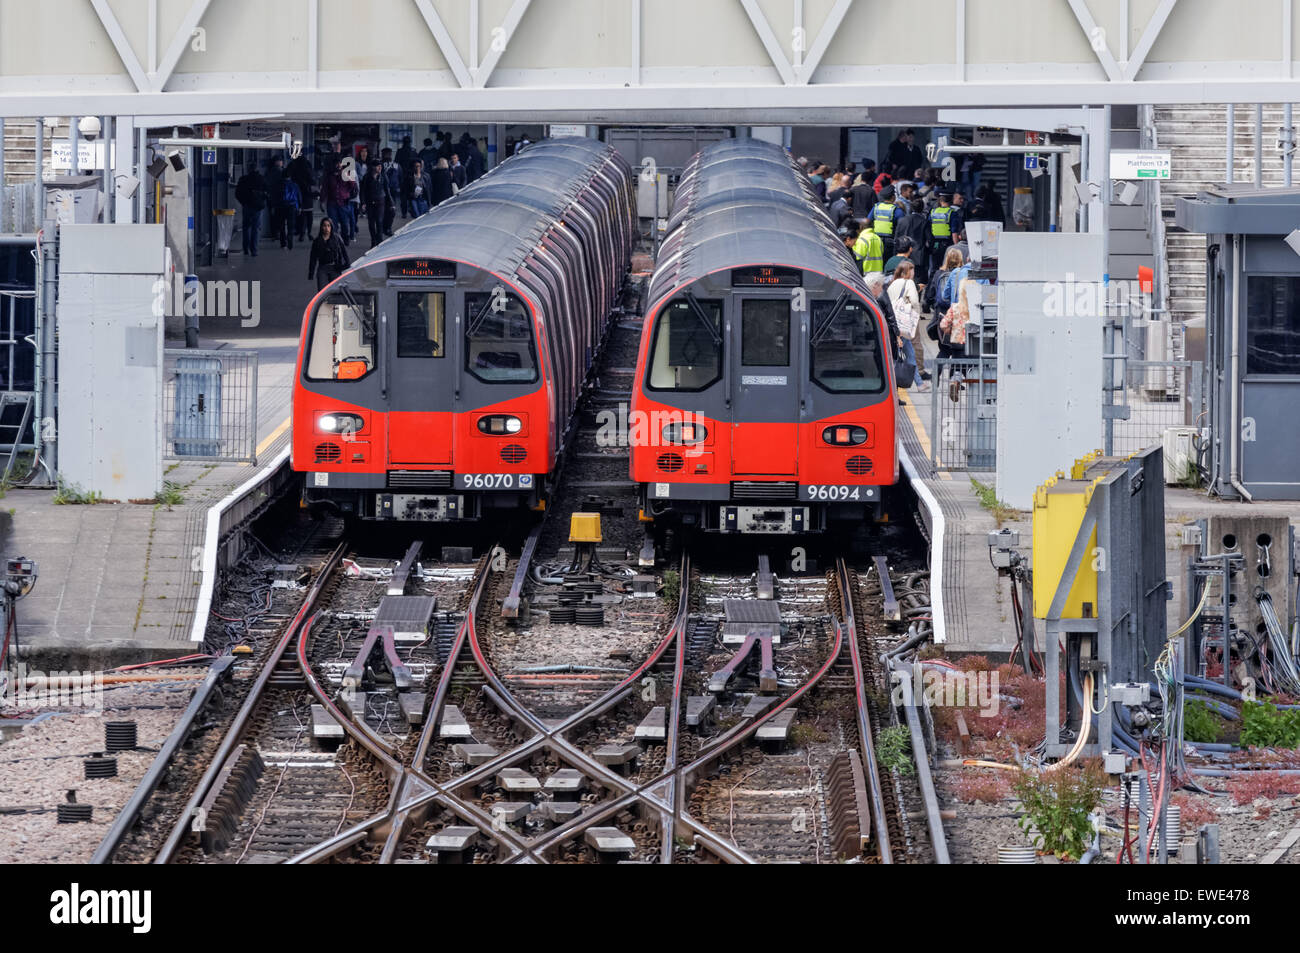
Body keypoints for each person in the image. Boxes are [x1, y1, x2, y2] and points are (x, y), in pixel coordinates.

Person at [888, 261, 928, 394]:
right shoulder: (909, 283)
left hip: (894, 323)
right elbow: (915, 302)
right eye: (913, 270)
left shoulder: (893, 283)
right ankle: (901, 385)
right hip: (904, 324)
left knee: (904, 353)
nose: (914, 273)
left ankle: (919, 384)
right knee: (906, 354)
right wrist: (915, 316)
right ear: (908, 272)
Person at [307, 217, 350, 292]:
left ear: (331, 227)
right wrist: (311, 273)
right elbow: (313, 258)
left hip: (335, 268)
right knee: (322, 292)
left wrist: (347, 264)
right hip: (322, 268)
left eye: (328, 226)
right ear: (321, 227)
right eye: (324, 226)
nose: (326, 228)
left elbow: (344, 252)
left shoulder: (337, 238)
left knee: (336, 291)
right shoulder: (317, 241)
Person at [235, 163, 268, 257]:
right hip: (258, 207)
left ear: (248, 169)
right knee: (256, 228)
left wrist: (243, 202)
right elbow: (267, 191)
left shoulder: (243, 179)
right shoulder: (261, 179)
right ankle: (254, 250)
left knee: (246, 228)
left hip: (247, 206)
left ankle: (245, 248)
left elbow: (237, 193)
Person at [269, 157, 302, 250]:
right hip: (291, 206)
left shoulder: (278, 185)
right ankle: (290, 243)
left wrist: (273, 206)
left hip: (280, 206)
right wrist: (299, 207)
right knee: (291, 225)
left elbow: (274, 196)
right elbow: (298, 197)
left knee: (282, 225)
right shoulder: (294, 185)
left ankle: (283, 243)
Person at [360, 160, 394, 248]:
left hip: (380, 201)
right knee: (371, 223)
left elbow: (387, 190)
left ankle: (379, 240)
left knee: (379, 221)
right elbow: (363, 191)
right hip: (370, 202)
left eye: (380, 166)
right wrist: (363, 203)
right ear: (373, 167)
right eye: (378, 166)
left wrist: (391, 202)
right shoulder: (367, 177)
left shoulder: (383, 177)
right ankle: (373, 240)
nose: (380, 168)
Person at [323, 161, 357, 245]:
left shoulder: (346, 173)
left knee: (345, 224)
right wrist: (322, 201)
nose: (338, 166)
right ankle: (335, 241)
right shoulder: (329, 176)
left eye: (339, 164)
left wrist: (346, 176)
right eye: (336, 164)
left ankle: (345, 238)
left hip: (344, 203)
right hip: (332, 203)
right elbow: (324, 189)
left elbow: (353, 185)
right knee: (333, 224)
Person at [287, 149, 317, 242]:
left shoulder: (293, 164)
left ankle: (301, 232)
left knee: (301, 214)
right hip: (307, 192)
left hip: (296, 192)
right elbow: (312, 178)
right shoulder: (307, 164)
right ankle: (309, 233)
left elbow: (287, 175)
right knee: (309, 214)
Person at [870, 185, 904, 261]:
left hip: (876, 239)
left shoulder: (876, 207)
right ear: (892, 197)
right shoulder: (897, 210)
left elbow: (868, 220)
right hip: (890, 241)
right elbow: (903, 225)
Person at [928, 190, 959, 267]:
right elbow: (954, 232)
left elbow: (928, 228)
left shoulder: (933, 212)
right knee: (947, 266)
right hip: (947, 244)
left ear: (940, 200)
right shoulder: (952, 213)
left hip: (934, 244)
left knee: (934, 267)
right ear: (951, 200)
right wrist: (957, 247)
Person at [395, 136, 418, 217]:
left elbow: (396, 163)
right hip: (412, 175)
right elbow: (417, 163)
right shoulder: (413, 151)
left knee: (403, 195)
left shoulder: (400, 151)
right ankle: (412, 211)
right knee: (412, 193)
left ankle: (404, 212)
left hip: (403, 176)